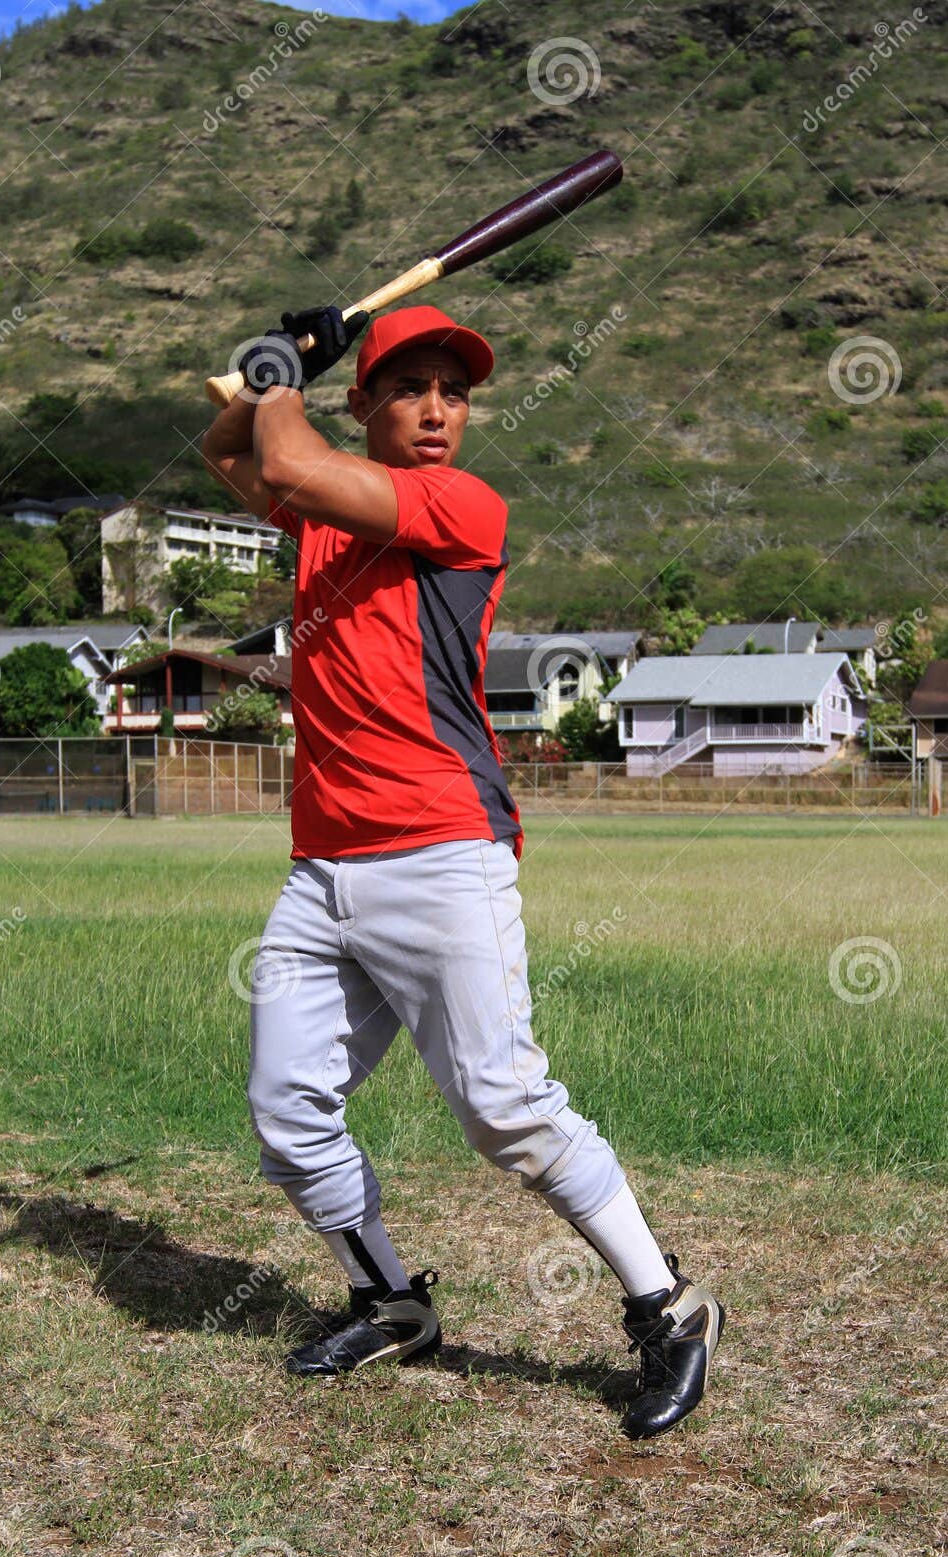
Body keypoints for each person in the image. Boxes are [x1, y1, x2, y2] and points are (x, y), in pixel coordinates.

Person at [201, 303, 724, 1438]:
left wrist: (280, 373)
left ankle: (668, 1307)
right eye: (409, 388)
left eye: (455, 389)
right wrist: (263, 373)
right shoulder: (320, 521)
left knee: (502, 1106)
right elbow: (232, 454)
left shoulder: (459, 504)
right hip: (324, 867)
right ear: (364, 404)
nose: (439, 409)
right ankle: (390, 1299)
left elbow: (280, 451)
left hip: (439, 852)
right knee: (287, 1113)